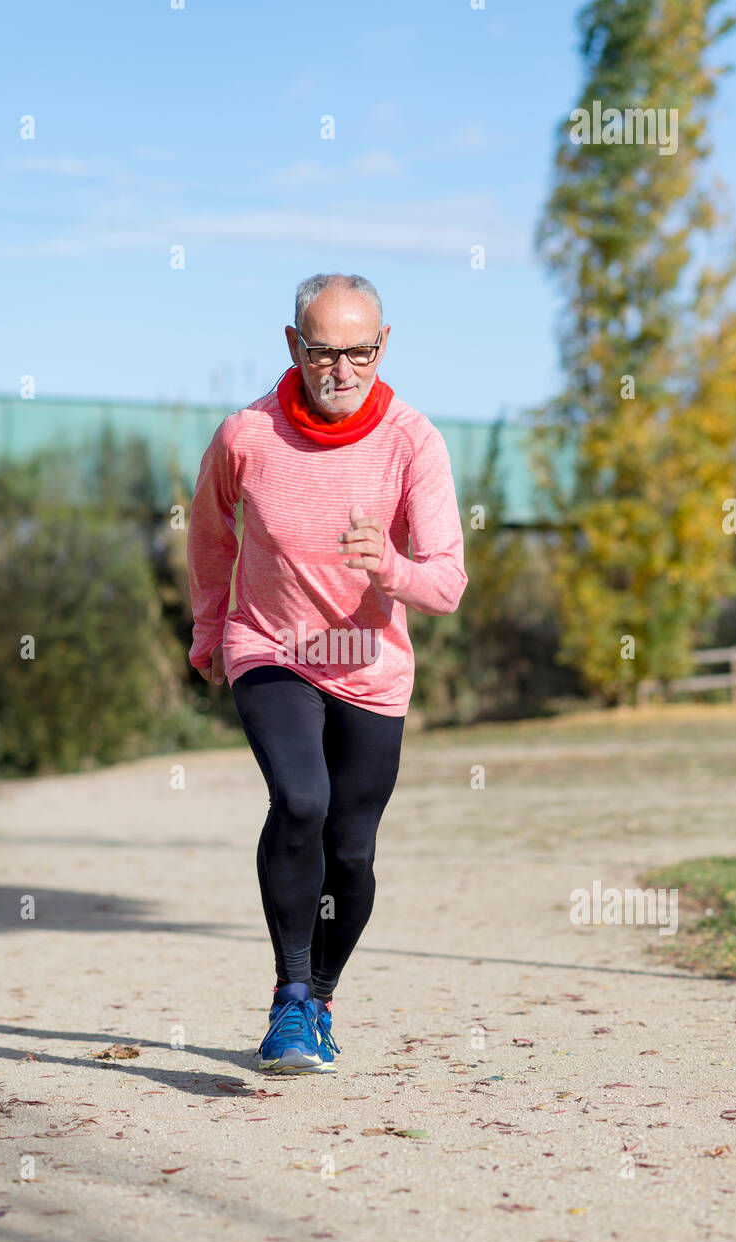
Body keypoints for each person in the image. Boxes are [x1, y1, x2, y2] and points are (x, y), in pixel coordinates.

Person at [186, 273, 467, 1073]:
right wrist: (211, 631)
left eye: (358, 352)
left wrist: (391, 566)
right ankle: (290, 997)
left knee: (351, 850)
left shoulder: (414, 441)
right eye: (321, 351)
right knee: (300, 800)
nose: (340, 369)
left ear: (383, 346)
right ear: (291, 346)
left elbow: (445, 582)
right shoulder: (246, 435)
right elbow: (211, 538)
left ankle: (323, 1000)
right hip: (269, 646)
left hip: (370, 668)